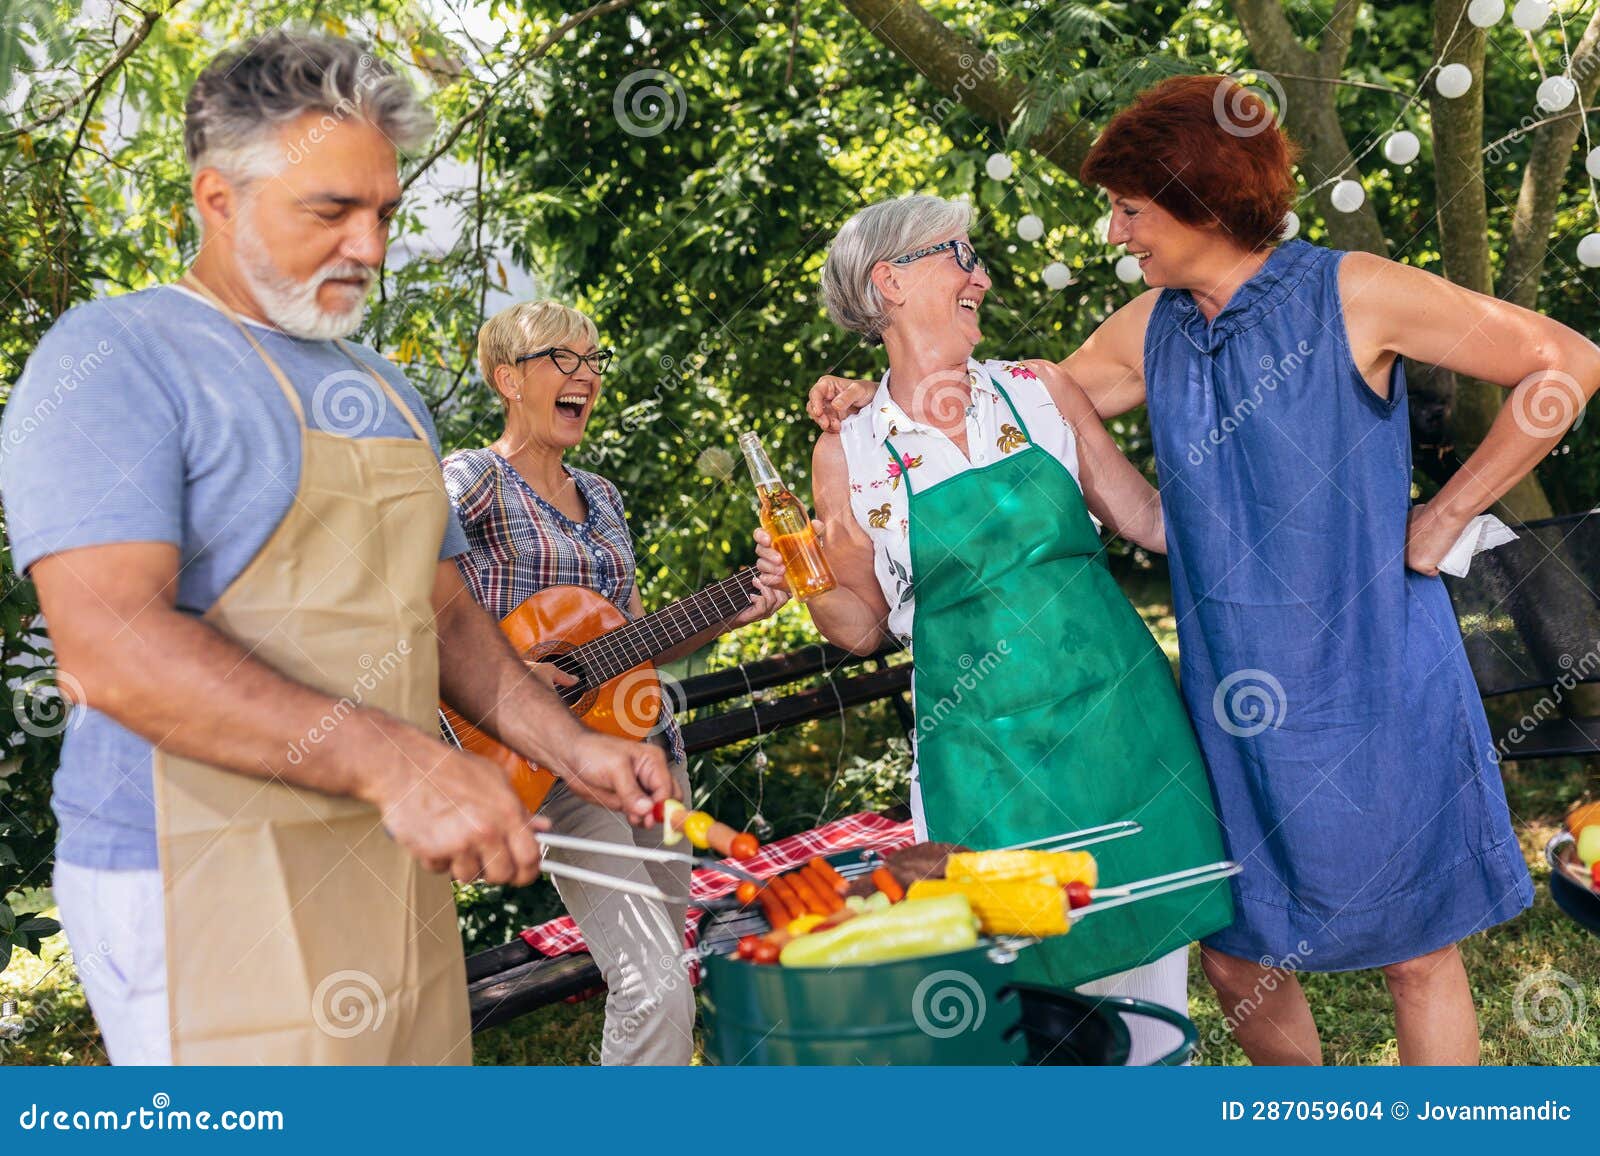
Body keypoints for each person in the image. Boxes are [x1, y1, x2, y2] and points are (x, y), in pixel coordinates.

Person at [811, 76, 1600, 1065]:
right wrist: (865, 406)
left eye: (1127, 209)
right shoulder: (1151, 330)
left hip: (1376, 680)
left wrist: (1446, 510)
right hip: (1226, 704)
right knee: (1232, 957)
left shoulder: (1354, 291)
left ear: (1194, 196)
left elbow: (1562, 362)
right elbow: (998, 412)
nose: (1112, 233)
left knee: (1416, 953)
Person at [0, 32, 674, 1066]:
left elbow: (447, 616)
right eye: (331, 211)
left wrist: (567, 745)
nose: (369, 247)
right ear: (217, 197)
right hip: (199, 877)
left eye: (384, 214)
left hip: (389, 861)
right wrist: (398, 761)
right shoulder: (115, 359)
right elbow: (111, 644)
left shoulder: (386, 392)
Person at [762, 193, 1234, 1063]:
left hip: (1118, 728)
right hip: (979, 757)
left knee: (1155, 1003)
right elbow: (858, 626)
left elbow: (1151, 522)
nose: (981, 273)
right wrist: (807, 580)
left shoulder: (1039, 391)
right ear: (890, 282)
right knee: (1026, 1017)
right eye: (958, 254)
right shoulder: (849, 449)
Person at [444, 300, 786, 1065]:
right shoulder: (472, 480)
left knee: (665, 970)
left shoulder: (602, 495)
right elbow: (413, 592)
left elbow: (630, 639)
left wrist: (739, 607)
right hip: (549, 767)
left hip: (648, 755)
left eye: (594, 360)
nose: (587, 376)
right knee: (653, 982)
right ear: (508, 378)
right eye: (563, 359)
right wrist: (513, 677)